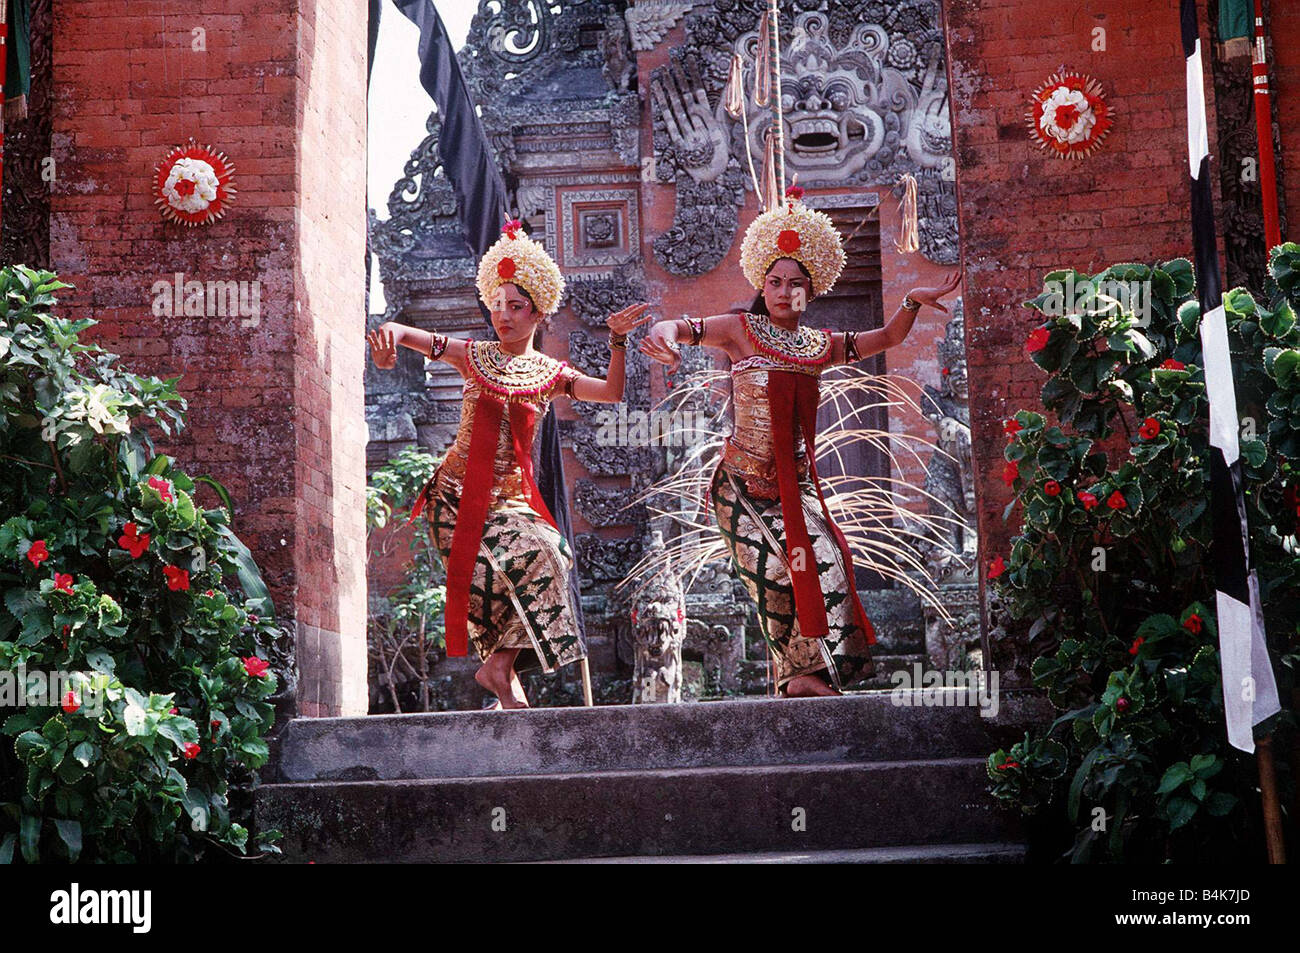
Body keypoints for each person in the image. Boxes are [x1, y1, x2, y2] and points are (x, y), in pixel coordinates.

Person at [639, 186, 960, 698]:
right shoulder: (741, 330)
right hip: (741, 485)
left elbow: (887, 340)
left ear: (811, 292)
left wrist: (912, 303)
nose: (784, 291)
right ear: (762, 285)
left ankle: (808, 676)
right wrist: (662, 333)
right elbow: (680, 325)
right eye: (774, 281)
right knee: (776, 574)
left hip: (798, 484)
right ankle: (801, 676)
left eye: (795, 284)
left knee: (828, 562)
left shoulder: (818, 345)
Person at [368, 219, 651, 709]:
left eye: (516, 307)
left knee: (553, 555)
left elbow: (611, 393)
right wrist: (388, 344)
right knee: (500, 583)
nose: (504, 316)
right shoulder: (472, 355)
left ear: (539, 313)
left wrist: (618, 342)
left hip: (512, 502)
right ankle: (501, 674)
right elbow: (403, 332)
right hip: (455, 497)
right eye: (497, 305)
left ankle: (499, 668)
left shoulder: (550, 374)